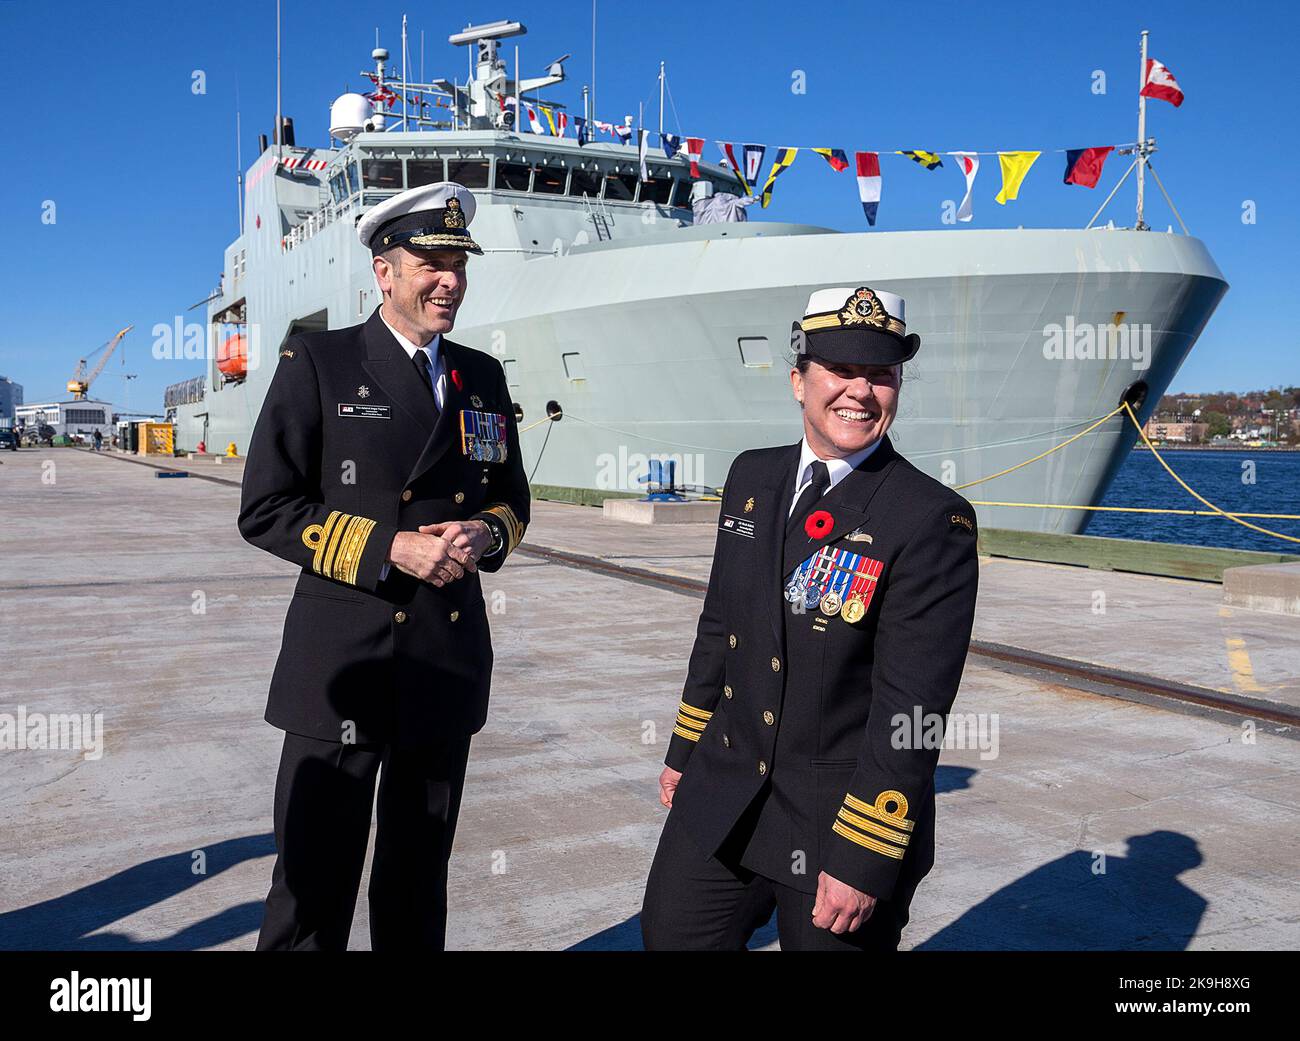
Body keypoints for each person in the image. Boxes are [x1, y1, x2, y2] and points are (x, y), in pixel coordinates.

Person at [640, 286, 980, 951]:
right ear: (799, 380)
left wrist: (864, 856)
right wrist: (684, 750)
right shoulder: (750, 477)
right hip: (727, 783)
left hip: (838, 814)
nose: (861, 390)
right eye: (842, 370)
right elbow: (720, 626)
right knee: (672, 935)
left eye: (880, 374)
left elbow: (912, 709)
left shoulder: (930, 518)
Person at [238, 181, 530, 951]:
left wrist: (483, 536)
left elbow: (513, 500)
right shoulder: (322, 362)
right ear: (384, 271)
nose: (449, 280)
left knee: (415, 882)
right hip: (343, 662)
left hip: (443, 664)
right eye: (431, 261)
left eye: (459, 263)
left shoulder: (482, 377)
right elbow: (266, 508)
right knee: (311, 885)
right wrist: (387, 546)